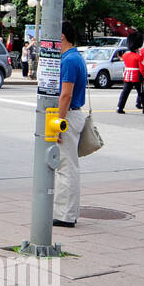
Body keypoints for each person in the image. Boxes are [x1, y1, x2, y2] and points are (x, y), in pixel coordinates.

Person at [53, 20, 88, 228]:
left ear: (62, 36)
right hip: (73, 115)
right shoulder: (75, 57)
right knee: (67, 166)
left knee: (66, 167)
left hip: (68, 116)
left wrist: (58, 123)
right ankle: (67, 212)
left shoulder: (68, 60)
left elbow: (65, 94)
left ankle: (65, 214)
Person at [116, 31, 144, 114]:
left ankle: (120, 107)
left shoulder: (125, 55)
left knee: (125, 93)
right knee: (142, 93)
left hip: (127, 76)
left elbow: (123, 60)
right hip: (137, 77)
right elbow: (142, 68)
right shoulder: (138, 56)